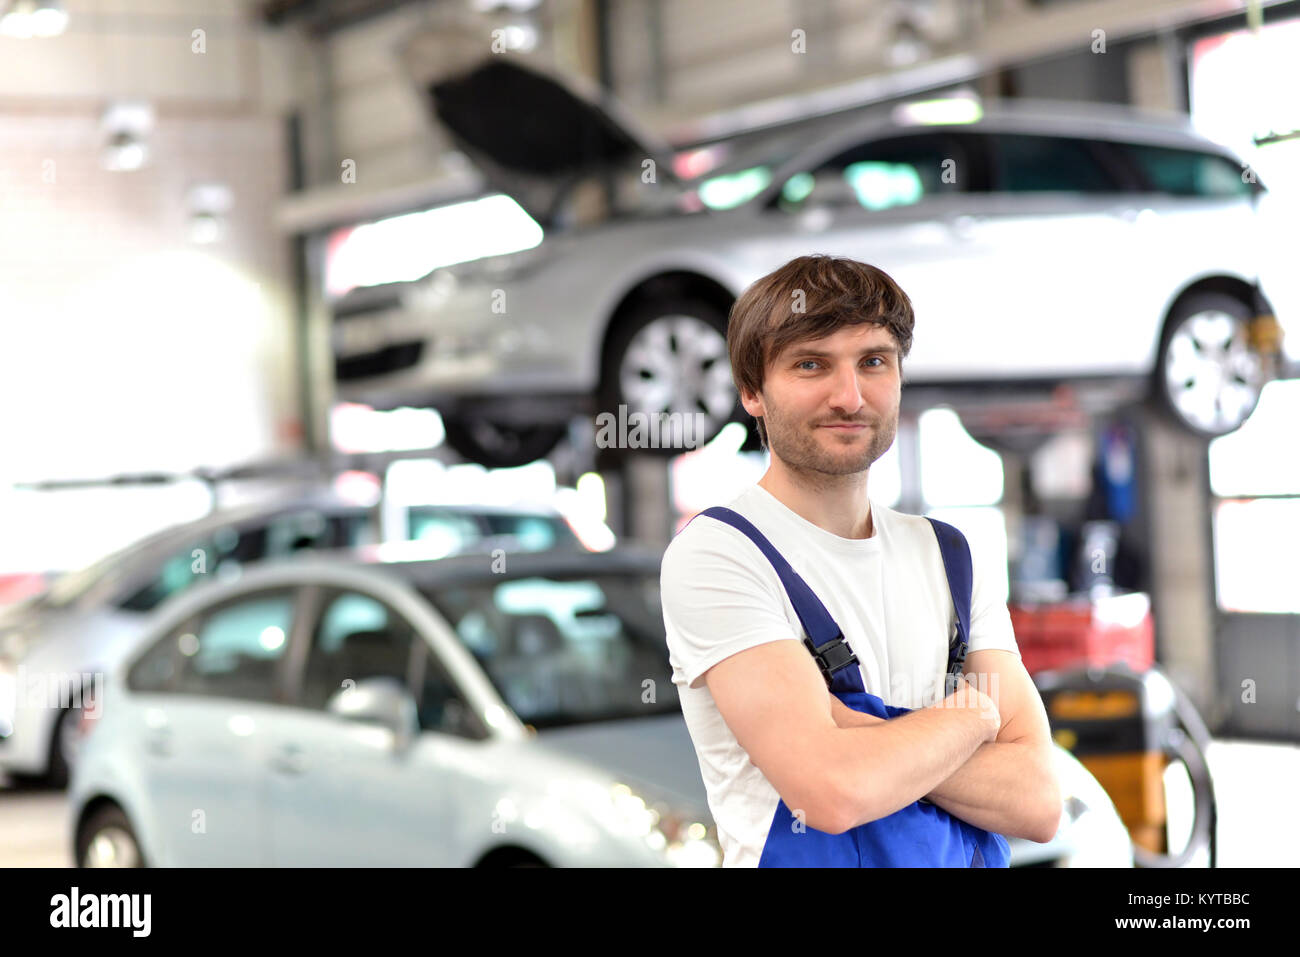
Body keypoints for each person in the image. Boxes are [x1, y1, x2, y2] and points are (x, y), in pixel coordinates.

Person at [660, 254, 1061, 866]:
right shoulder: (719, 555)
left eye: (873, 362)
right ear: (751, 391)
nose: (848, 396)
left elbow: (1036, 801)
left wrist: (861, 735)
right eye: (811, 364)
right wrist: (974, 716)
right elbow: (832, 791)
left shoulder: (952, 556)